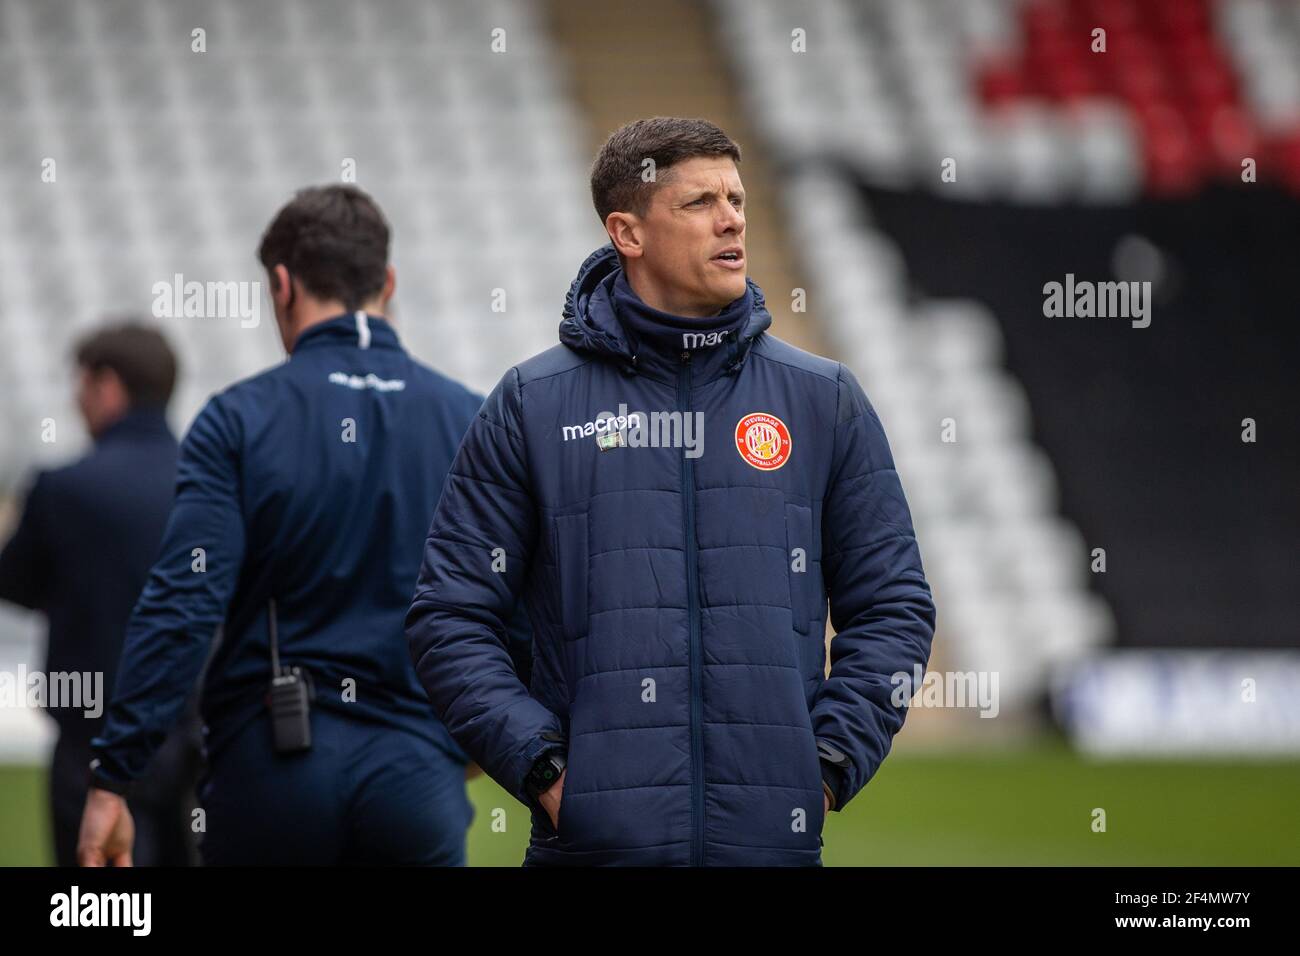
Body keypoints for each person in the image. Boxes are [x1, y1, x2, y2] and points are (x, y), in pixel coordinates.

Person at [406, 116, 937, 866]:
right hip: (593, 852)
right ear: (628, 232)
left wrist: (821, 767)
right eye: (700, 203)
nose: (732, 219)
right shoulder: (533, 403)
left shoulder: (822, 399)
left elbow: (894, 606)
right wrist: (548, 775)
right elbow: (450, 616)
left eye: (738, 199)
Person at [78, 184, 490, 866]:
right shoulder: (471, 416)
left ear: (280, 285)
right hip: (419, 775)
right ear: (387, 281)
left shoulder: (239, 418)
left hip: (273, 769)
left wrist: (113, 775)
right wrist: (473, 744)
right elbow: (517, 603)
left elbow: (184, 603)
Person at [0, 323, 201, 866]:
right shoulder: (216, 486)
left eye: (81, 385)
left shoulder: (65, 488)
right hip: (196, 742)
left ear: (108, 386)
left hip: (91, 738)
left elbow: (13, 582)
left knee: (102, 910)